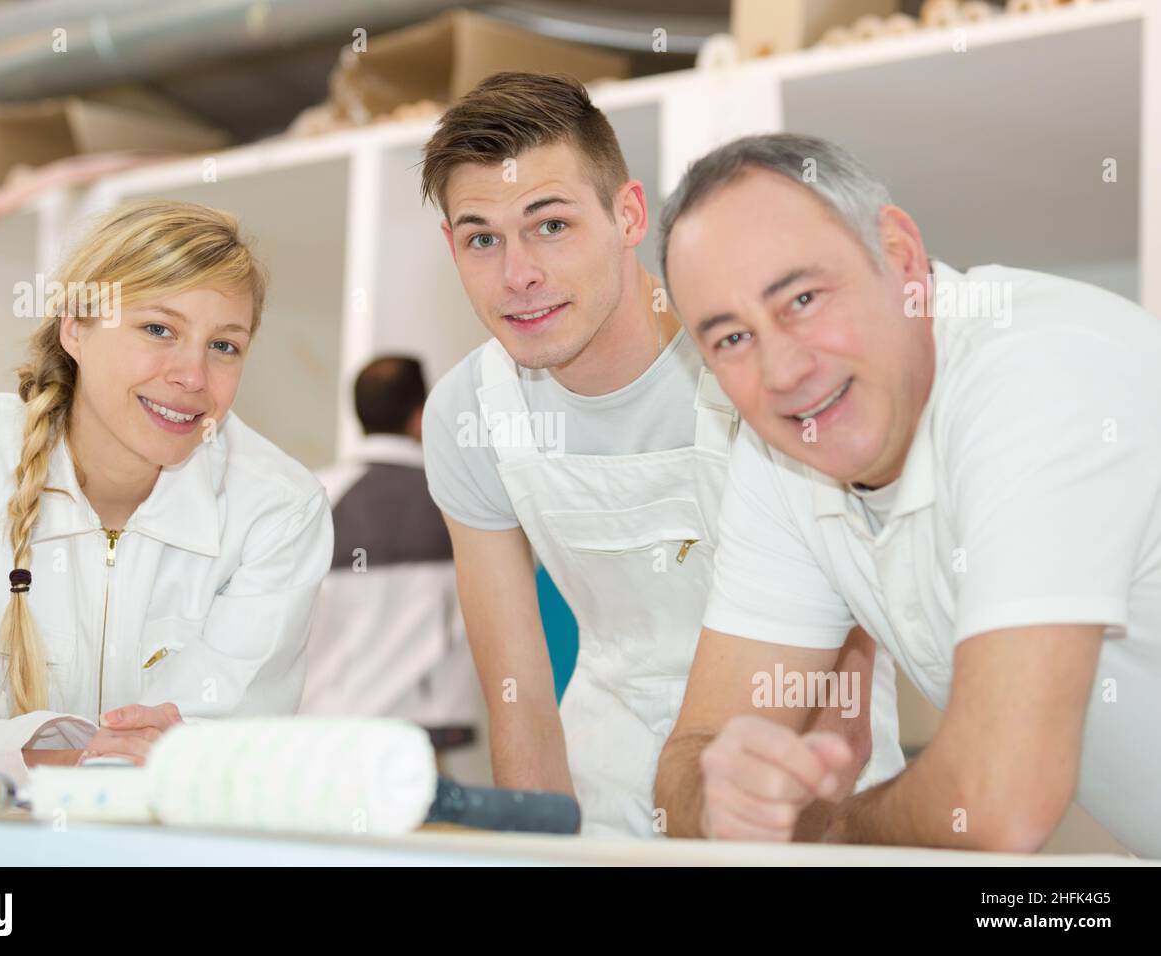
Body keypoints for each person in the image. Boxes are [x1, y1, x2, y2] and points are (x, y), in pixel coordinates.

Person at [419, 73, 903, 837]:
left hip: (797, 779)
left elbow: (842, 665)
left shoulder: (753, 366)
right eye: (483, 238)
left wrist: (798, 819)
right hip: (607, 780)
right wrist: (536, 852)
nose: (519, 276)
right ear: (452, 246)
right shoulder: (469, 413)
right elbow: (521, 697)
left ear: (628, 215)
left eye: (551, 225)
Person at [656, 132, 1161, 857]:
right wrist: (720, 796)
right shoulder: (785, 449)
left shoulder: (1039, 373)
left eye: (801, 298)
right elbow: (693, 758)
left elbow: (998, 801)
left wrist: (828, 828)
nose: (784, 369)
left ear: (898, 256)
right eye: (731, 339)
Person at [0, 199, 333, 800]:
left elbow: (234, 749)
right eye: (158, 329)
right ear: (75, 328)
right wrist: (54, 752)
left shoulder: (278, 509)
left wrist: (172, 755)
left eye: (224, 346)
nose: (192, 376)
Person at [301, 356, 482, 746]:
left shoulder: (315, 497)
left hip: (330, 727)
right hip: (428, 729)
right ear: (420, 417)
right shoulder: (462, 500)